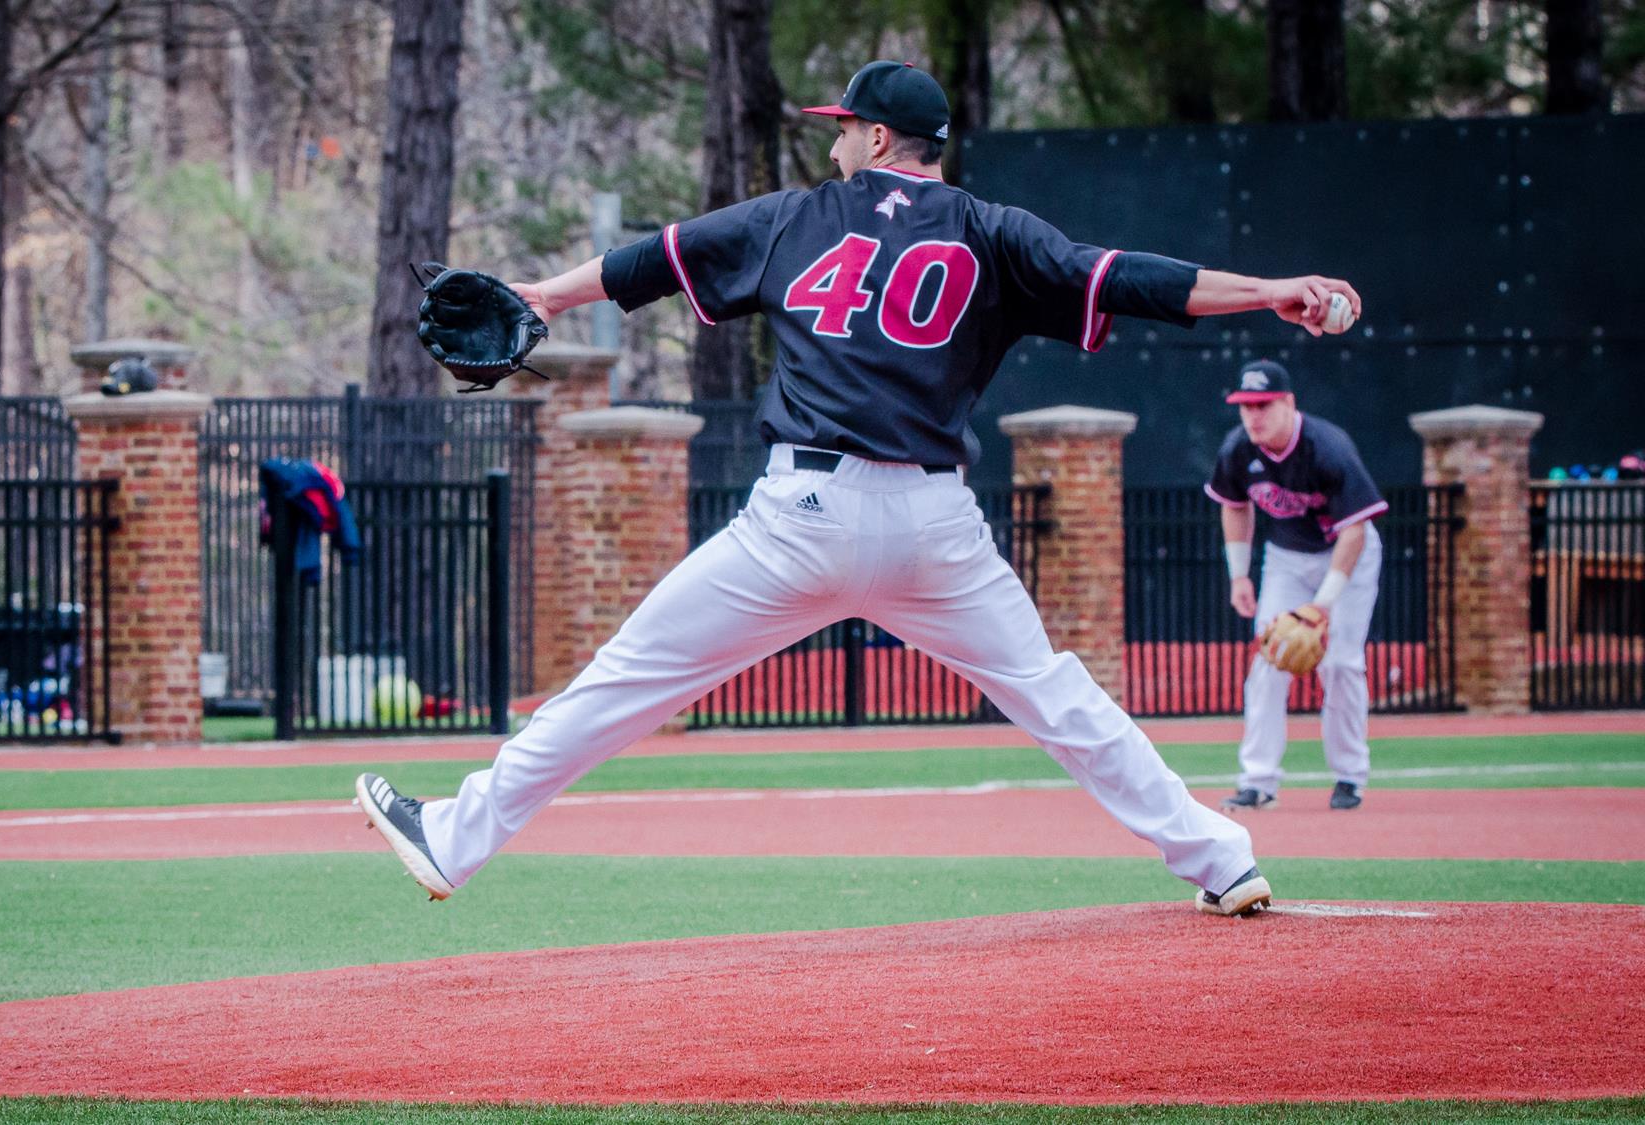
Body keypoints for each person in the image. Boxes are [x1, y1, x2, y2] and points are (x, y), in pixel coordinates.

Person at [357, 59, 1364, 918]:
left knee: (625, 682)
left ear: (879, 138)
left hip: (799, 517)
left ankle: (453, 837)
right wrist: (1270, 291)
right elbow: (1128, 276)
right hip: (932, 526)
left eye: (843, 128)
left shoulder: (795, 217)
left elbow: (650, 263)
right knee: (1058, 698)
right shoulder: (993, 229)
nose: (833, 143)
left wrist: (539, 295)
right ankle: (1218, 857)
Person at [1206, 359, 1386, 812]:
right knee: (1270, 658)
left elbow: (1355, 531)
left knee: (1341, 664)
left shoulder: (1327, 448)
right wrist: (1239, 574)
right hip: (1287, 559)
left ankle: (1349, 777)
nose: (1253, 416)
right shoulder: (1237, 449)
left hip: (1347, 557)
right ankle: (1258, 781)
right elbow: (1234, 505)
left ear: (1288, 403)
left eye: (1263, 405)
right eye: (1245, 406)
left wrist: (1323, 605)